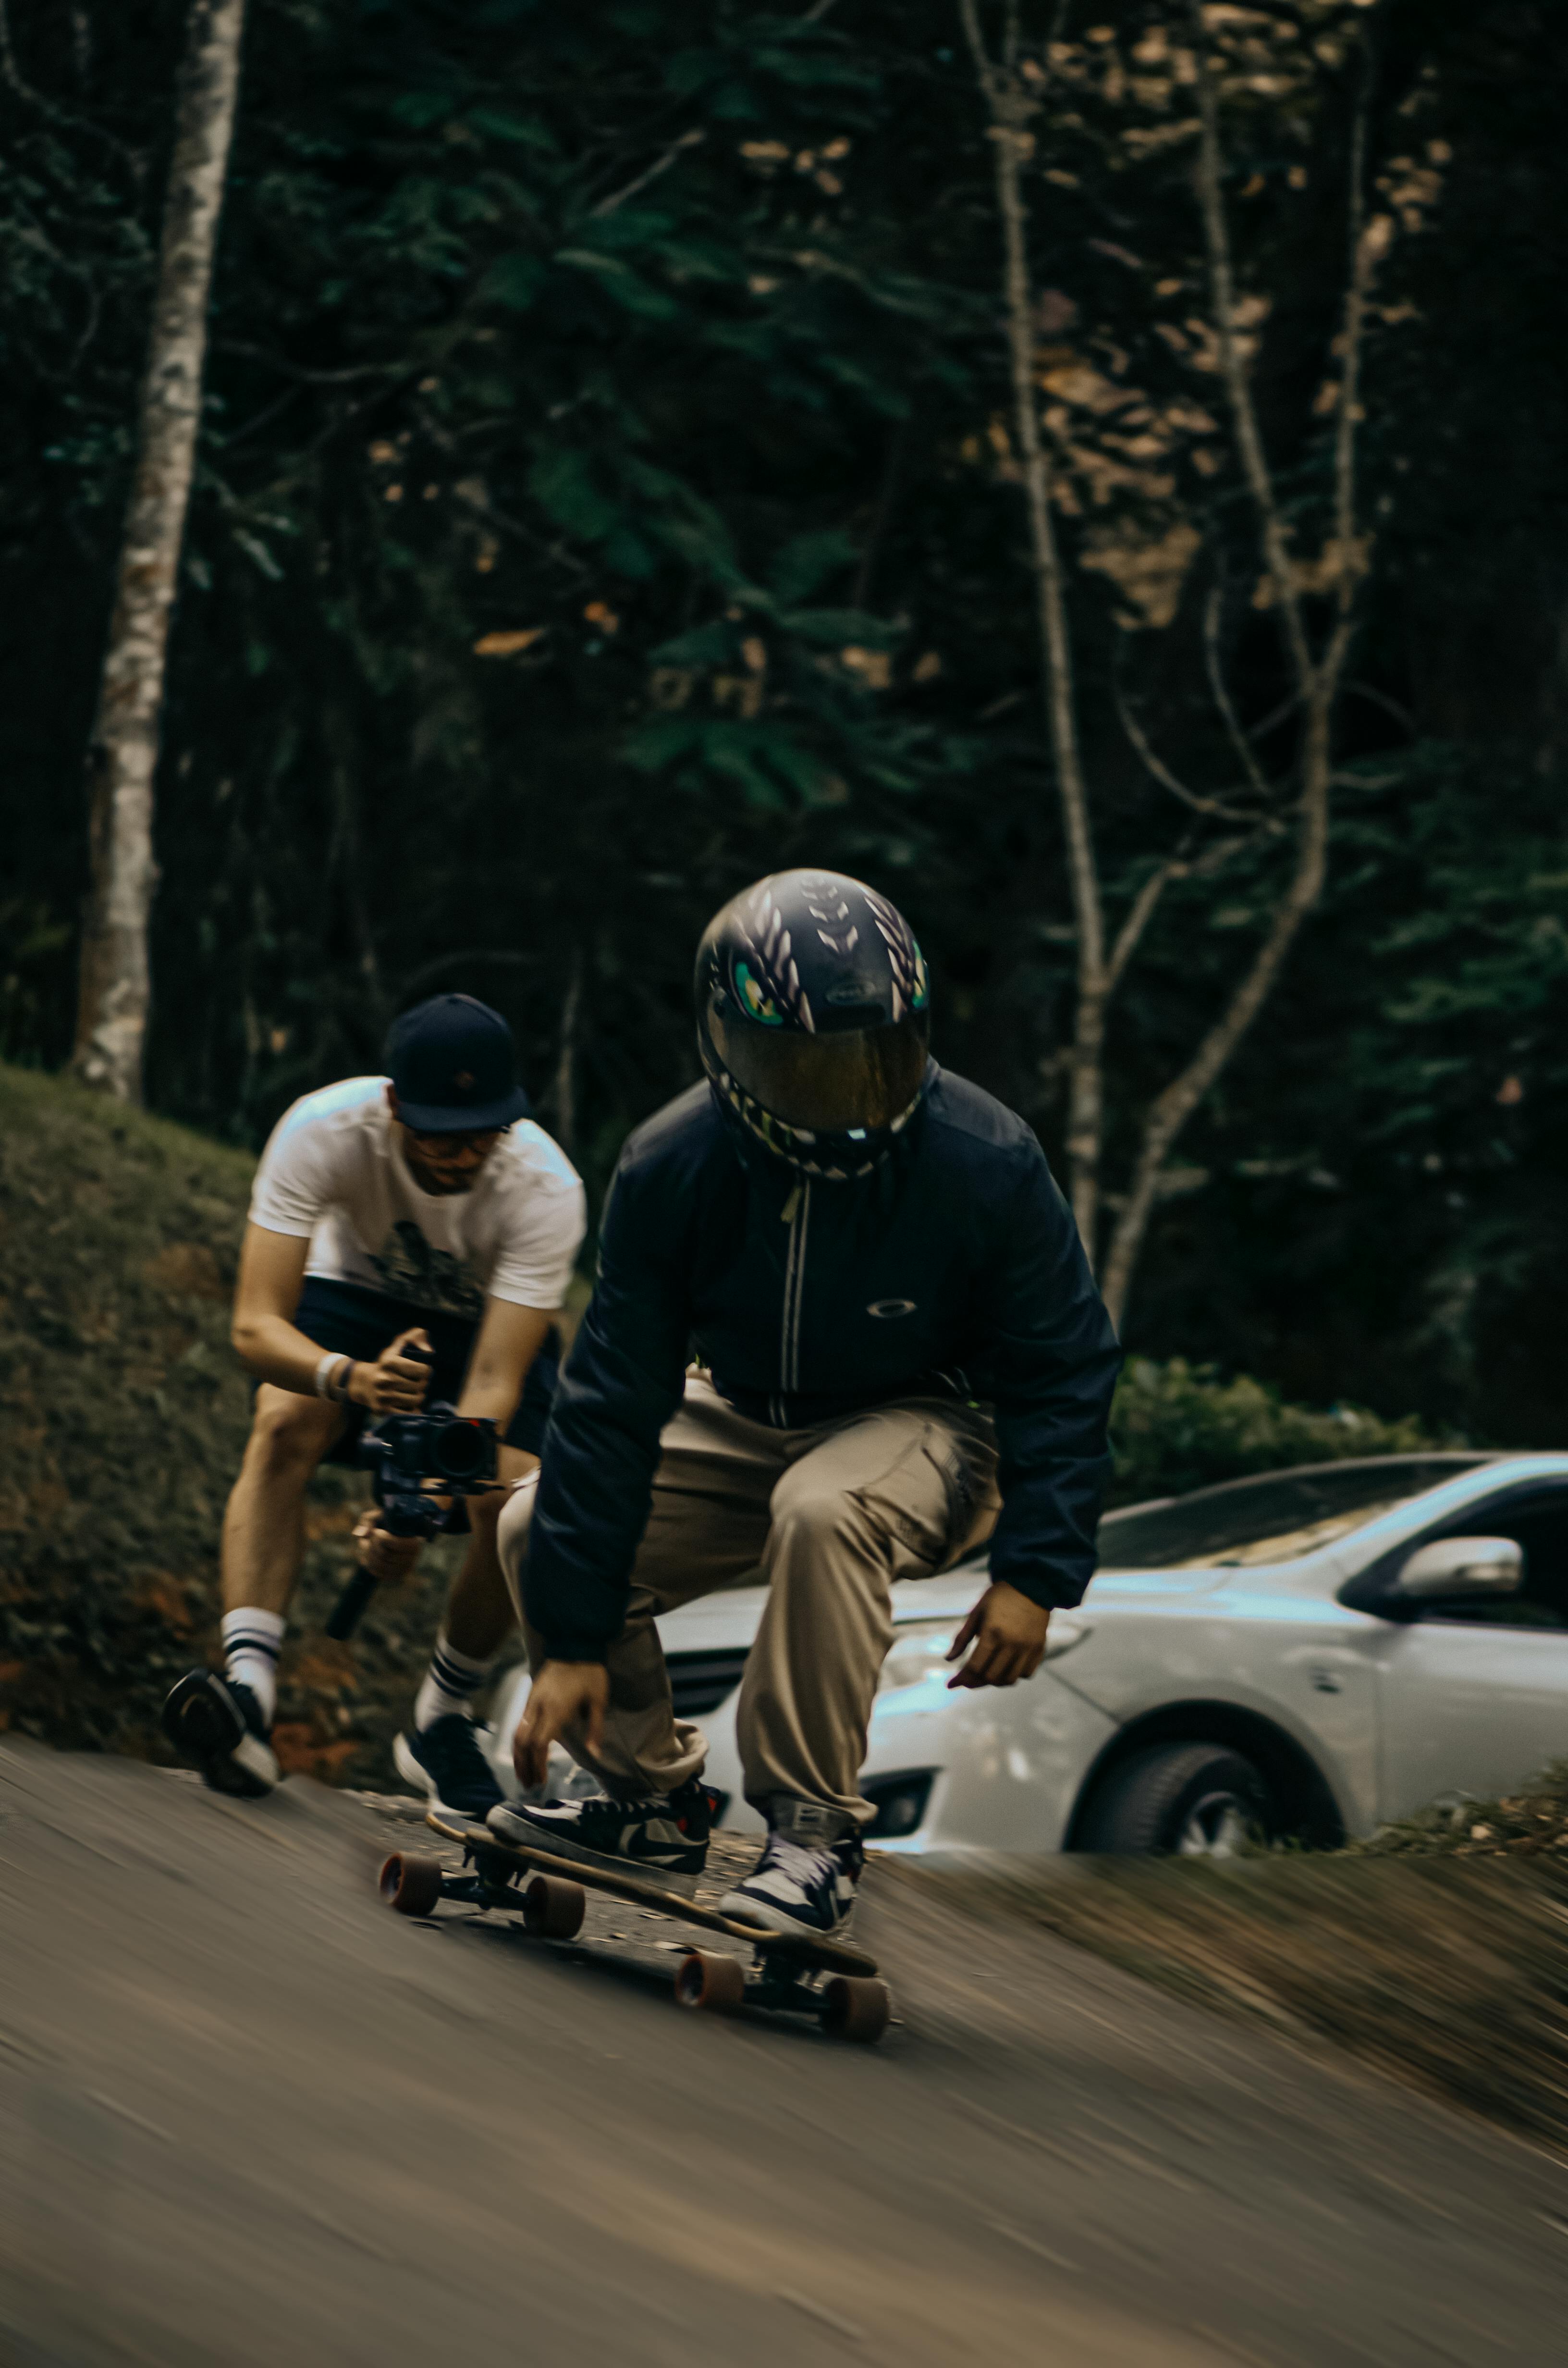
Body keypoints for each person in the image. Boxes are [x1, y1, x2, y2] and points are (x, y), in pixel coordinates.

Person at [488, 870, 1119, 1937]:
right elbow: (611, 1402)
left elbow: (1064, 1365)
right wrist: (571, 1640)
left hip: (936, 1424)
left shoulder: (988, 1161)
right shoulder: (669, 1167)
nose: (853, 1099)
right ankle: (648, 1802)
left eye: (877, 1059)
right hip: (744, 1410)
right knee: (530, 1522)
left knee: (825, 1509)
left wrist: (1036, 1573)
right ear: (727, 1047)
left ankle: (813, 1834)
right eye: (807, 1068)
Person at [161, 993, 586, 1816]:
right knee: (284, 1418)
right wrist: (351, 1380)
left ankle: (443, 1716)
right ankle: (249, 1693)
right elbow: (254, 1326)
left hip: (483, 1323)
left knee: (515, 1499)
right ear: (394, 1104)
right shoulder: (321, 1130)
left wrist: (419, 1504)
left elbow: (496, 1383)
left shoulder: (546, 1188)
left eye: (480, 1136)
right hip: (351, 1295)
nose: (461, 1158)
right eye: (438, 1134)